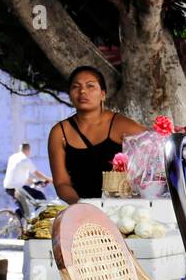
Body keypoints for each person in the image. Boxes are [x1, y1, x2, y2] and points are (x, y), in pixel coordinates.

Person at [47, 66, 145, 203]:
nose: (82, 91)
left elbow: (154, 145)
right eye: (76, 87)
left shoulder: (121, 125)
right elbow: (61, 183)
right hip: (82, 213)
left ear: (103, 94)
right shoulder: (59, 132)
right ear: (70, 94)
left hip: (122, 212)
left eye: (90, 86)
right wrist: (83, 207)